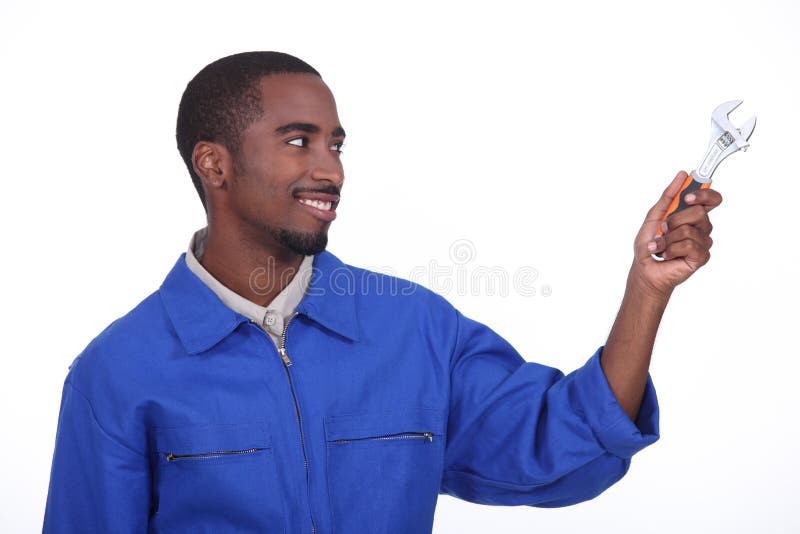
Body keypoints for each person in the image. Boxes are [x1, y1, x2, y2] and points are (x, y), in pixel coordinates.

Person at [42, 51, 719, 533]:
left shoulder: (415, 331)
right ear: (214, 164)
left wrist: (646, 290)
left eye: (335, 145)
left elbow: (558, 450)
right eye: (298, 142)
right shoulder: (119, 373)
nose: (329, 169)